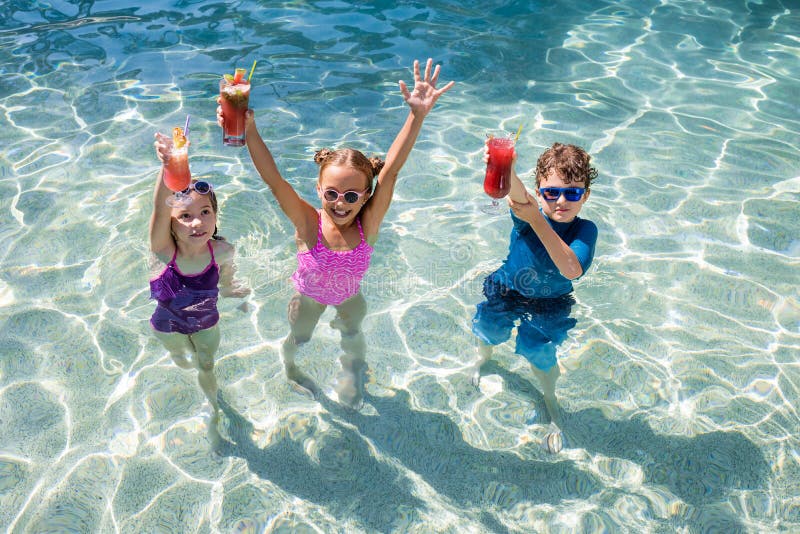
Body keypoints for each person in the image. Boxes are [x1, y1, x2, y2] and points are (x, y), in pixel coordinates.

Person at [218, 58, 454, 409]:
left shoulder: (368, 224)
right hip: (308, 298)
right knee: (299, 337)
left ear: (366, 197)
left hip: (350, 296)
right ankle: (291, 368)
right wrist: (250, 131)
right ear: (318, 190)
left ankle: (353, 371)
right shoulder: (308, 224)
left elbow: (389, 173)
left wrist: (416, 115)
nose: (340, 204)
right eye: (332, 194)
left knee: (354, 333)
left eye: (351, 196)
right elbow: (274, 179)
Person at [471, 141, 598, 445]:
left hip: (551, 302)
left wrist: (537, 219)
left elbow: (571, 269)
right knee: (489, 330)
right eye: (551, 192)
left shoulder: (585, 230)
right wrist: (507, 168)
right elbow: (516, 193)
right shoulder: (526, 212)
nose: (561, 201)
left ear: (585, 196)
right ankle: (482, 360)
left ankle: (550, 399)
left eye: (573, 192)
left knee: (537, 350)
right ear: (539, 192)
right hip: (507, 288)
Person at [149, 133, 250, 447]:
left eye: (205, 212)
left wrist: (236, 291)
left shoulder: (222, 251)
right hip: (168, 325)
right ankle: (187, 373)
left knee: (206, 363)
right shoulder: (164, 251)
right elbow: (158, 206)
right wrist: (168, 167)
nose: (197, 223)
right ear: (171, 223)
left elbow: (227, 281)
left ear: (216, 216)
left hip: (206, 321)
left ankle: (214, 407)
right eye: (185, 216)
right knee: (183, 360)